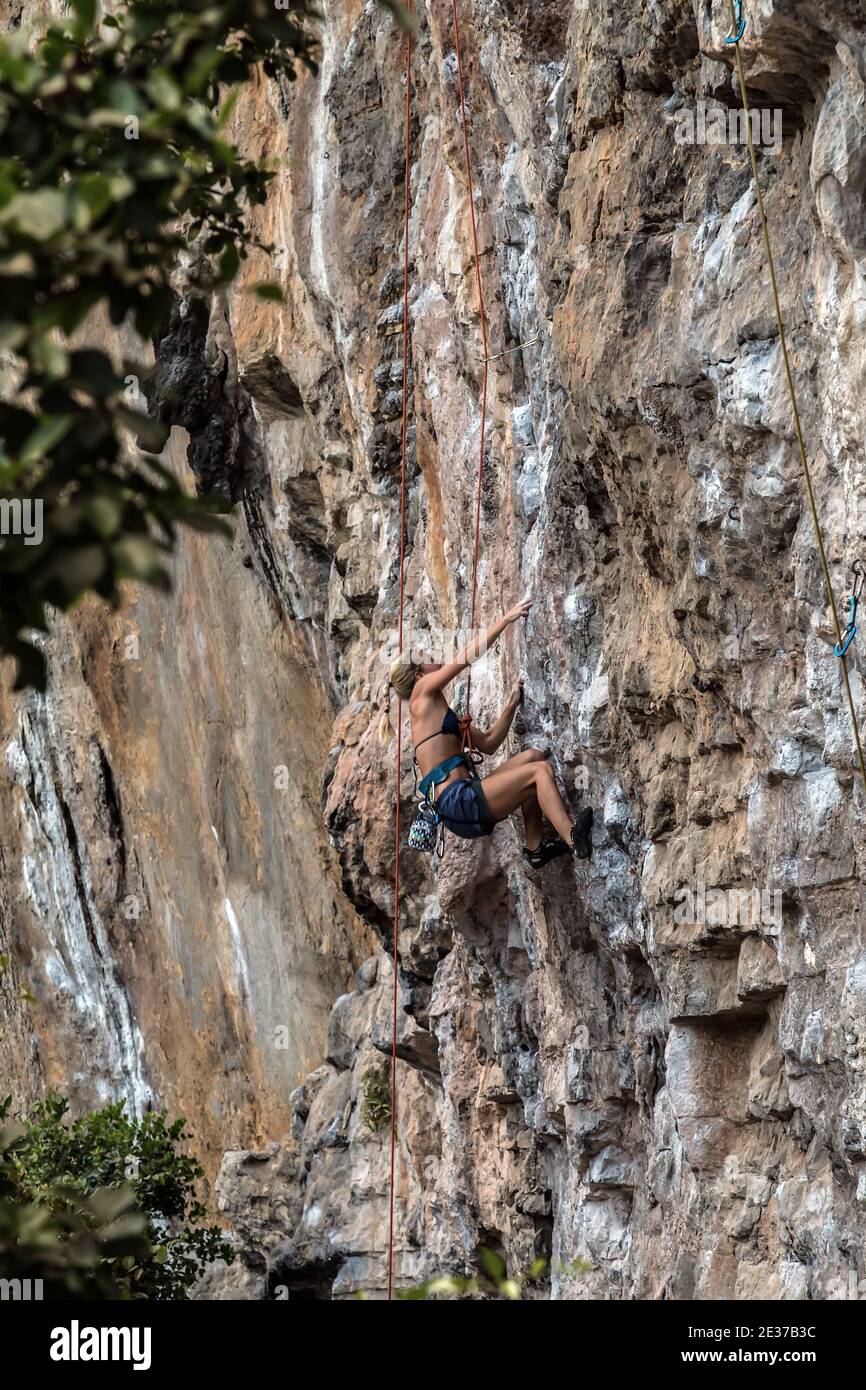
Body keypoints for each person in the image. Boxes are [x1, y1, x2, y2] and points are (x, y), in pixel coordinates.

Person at [379, 598, 593, 867]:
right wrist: (505, 619)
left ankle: (535, 848)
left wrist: (511, 706)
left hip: (460, 800)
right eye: (429, 659)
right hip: (458, 801)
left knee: (533, 758)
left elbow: (490, 743)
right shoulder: (421, 695)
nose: (436, 658)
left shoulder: (438, 714)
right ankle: (573, 838)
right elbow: (465, 658)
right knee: (540, 773)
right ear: (419, 677)